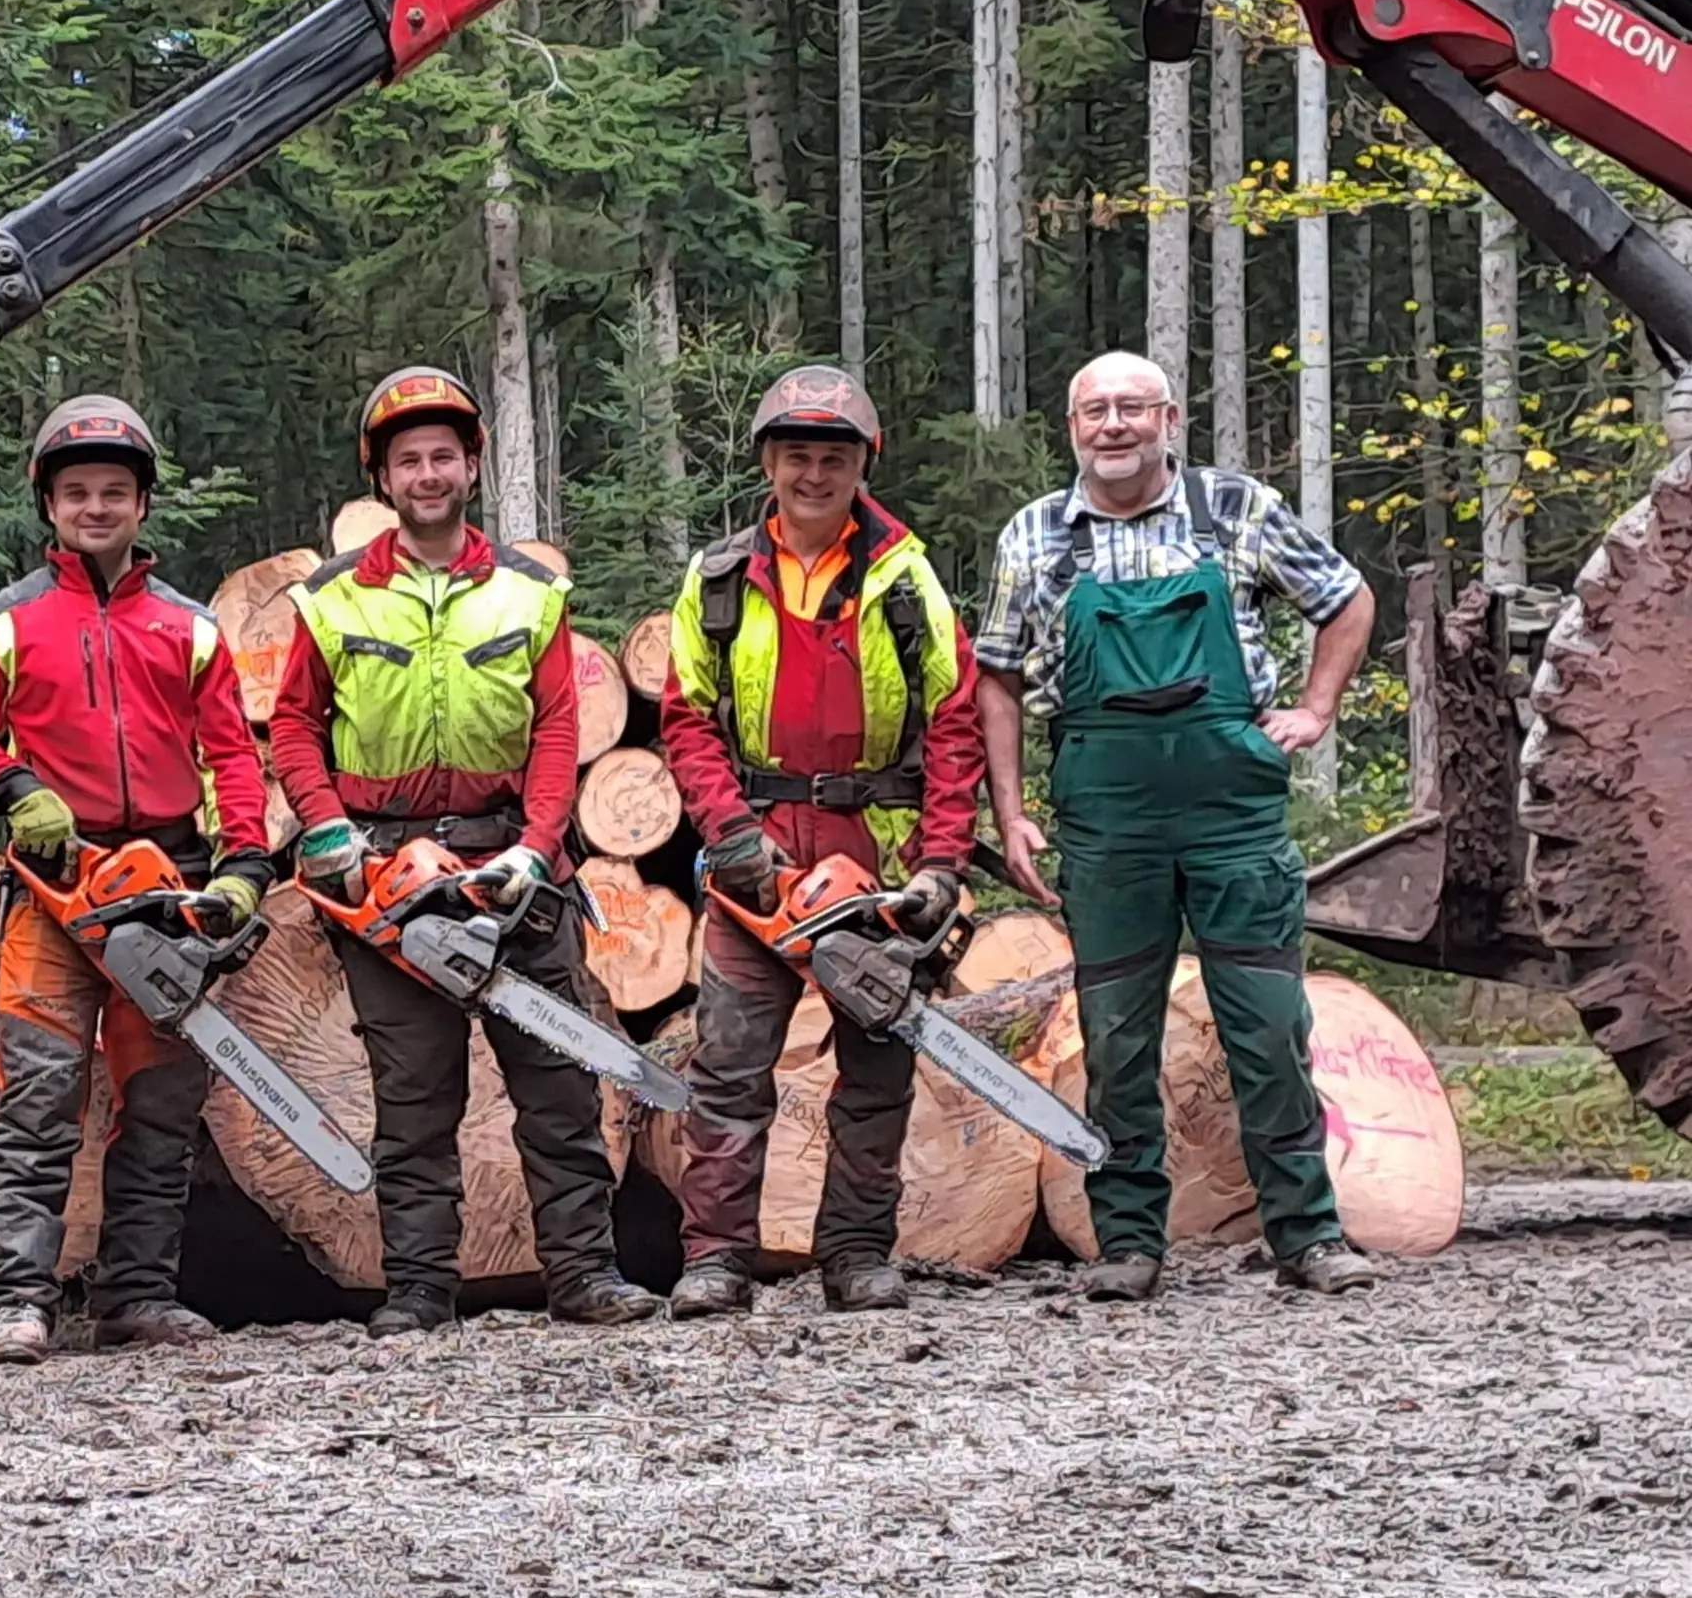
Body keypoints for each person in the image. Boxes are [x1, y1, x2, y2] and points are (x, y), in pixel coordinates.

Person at [975, 350, 1379, 1301]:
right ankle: (1128, 1243)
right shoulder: (1036, 536)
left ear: (1170, 418)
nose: (1113, 425)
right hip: (1108, 821)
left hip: (1232, 815)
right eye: (1094, 411)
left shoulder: (1234, 511)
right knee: (1116, 1037)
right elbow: (995, 674)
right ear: (1071, 426)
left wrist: (1315, 710)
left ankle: (1309, 1237)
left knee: (1270, 1028)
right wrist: (1012, 809)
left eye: (1132, 408)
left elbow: (1348, 599)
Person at [268, 366, 662, 1337]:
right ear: (383, 477)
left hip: (507, 862)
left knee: (558, 1085)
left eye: (444, 454)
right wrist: (328, 831)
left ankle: (583, 1273)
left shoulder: (531, 593)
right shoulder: (331, 600)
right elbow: (291, 724)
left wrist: (535, 847)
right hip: (389, 866)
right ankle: (418, 1290)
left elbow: (560, 729)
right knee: (413, 1096)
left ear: (472, 465)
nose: (429, 473)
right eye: (410, 459)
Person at [0, 397, 276, 1366]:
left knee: (162, 1102)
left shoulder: (192, 627)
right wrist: (13, 788)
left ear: (142, 504)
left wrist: (246, 864)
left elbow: (232, 755)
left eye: (114, 492)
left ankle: (137, 1295)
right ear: (49, 501)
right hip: (53, 888)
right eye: (77, 491)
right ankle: (18, 1299)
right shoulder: (1, 623)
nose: (96, 507)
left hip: (167, 882)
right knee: (38, 1097)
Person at [657, 365, 984, 1316]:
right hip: (756, 839)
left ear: (861, 464)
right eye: (795, 453)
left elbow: (954, 722)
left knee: (877, 1058)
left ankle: (856, 1250)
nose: (812, 473)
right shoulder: (718, 579)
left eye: (832, 456)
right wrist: (728, 828)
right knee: (730, 1062)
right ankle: (716, 1254)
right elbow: (687, 720)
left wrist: (941, 859)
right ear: (768, 461)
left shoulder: (904, 575)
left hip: (870, 832)